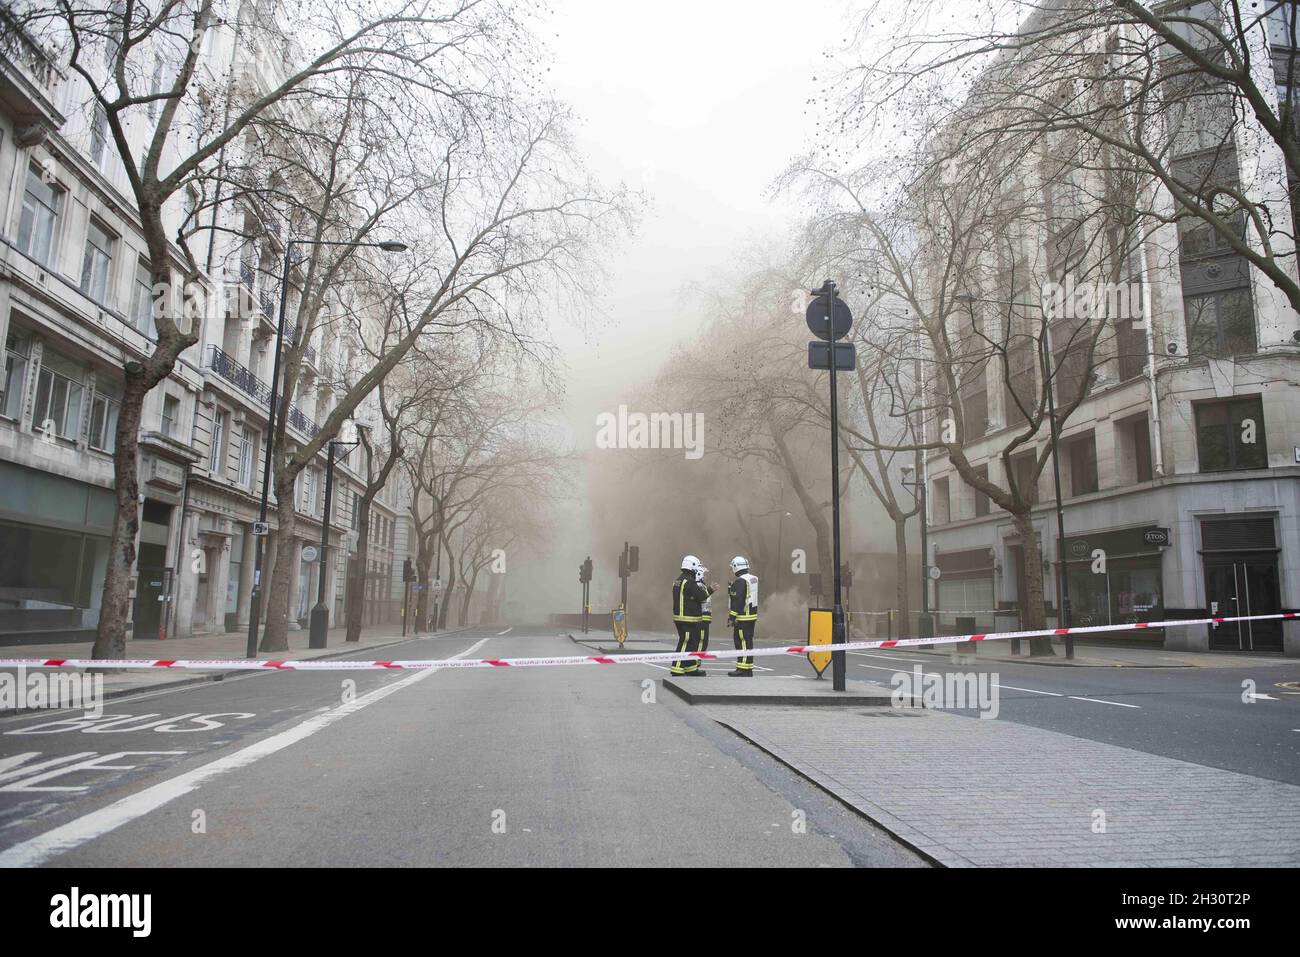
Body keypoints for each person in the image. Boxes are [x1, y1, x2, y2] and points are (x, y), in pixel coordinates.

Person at [671, 555, 714, 676]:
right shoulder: (689, 581)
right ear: (692, 566)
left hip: (682, 617)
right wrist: (710, 589)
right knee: (686, 642)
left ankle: (690, 667)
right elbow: (700, 596)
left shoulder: (679, 580)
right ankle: (677, 667)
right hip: (687, 618)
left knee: (691, 643)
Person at [727, 556, 759, 677]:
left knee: (741, 642)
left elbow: (738, 600)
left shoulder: (740, 581)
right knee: (748, 642)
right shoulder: (753, 579)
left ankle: (743, 669)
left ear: (736, 567)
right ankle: (747, 668)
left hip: (743, 617)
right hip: (751, 616)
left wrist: (732, 617)